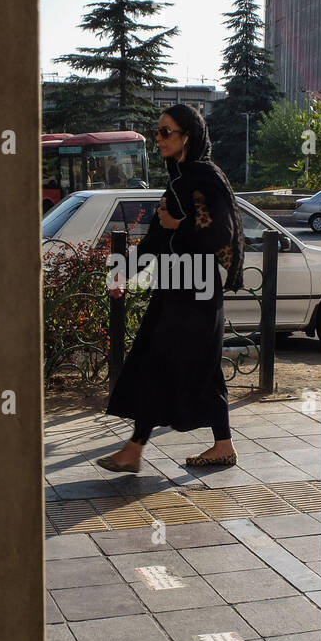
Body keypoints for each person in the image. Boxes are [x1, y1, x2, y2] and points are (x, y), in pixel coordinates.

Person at [96, 104, 246, 473]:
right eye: (158, 131)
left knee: (156, 362)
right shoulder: (181, 179)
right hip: (180, 287)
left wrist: (179, 224)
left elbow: (218, 232)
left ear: (187, 137)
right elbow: (156, 238)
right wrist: (124, 272)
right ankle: (222, 445)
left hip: (195, 290)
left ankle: (134, 449)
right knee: (202, 367)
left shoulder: (203, 176)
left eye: (166, 132)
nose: (159, 139)